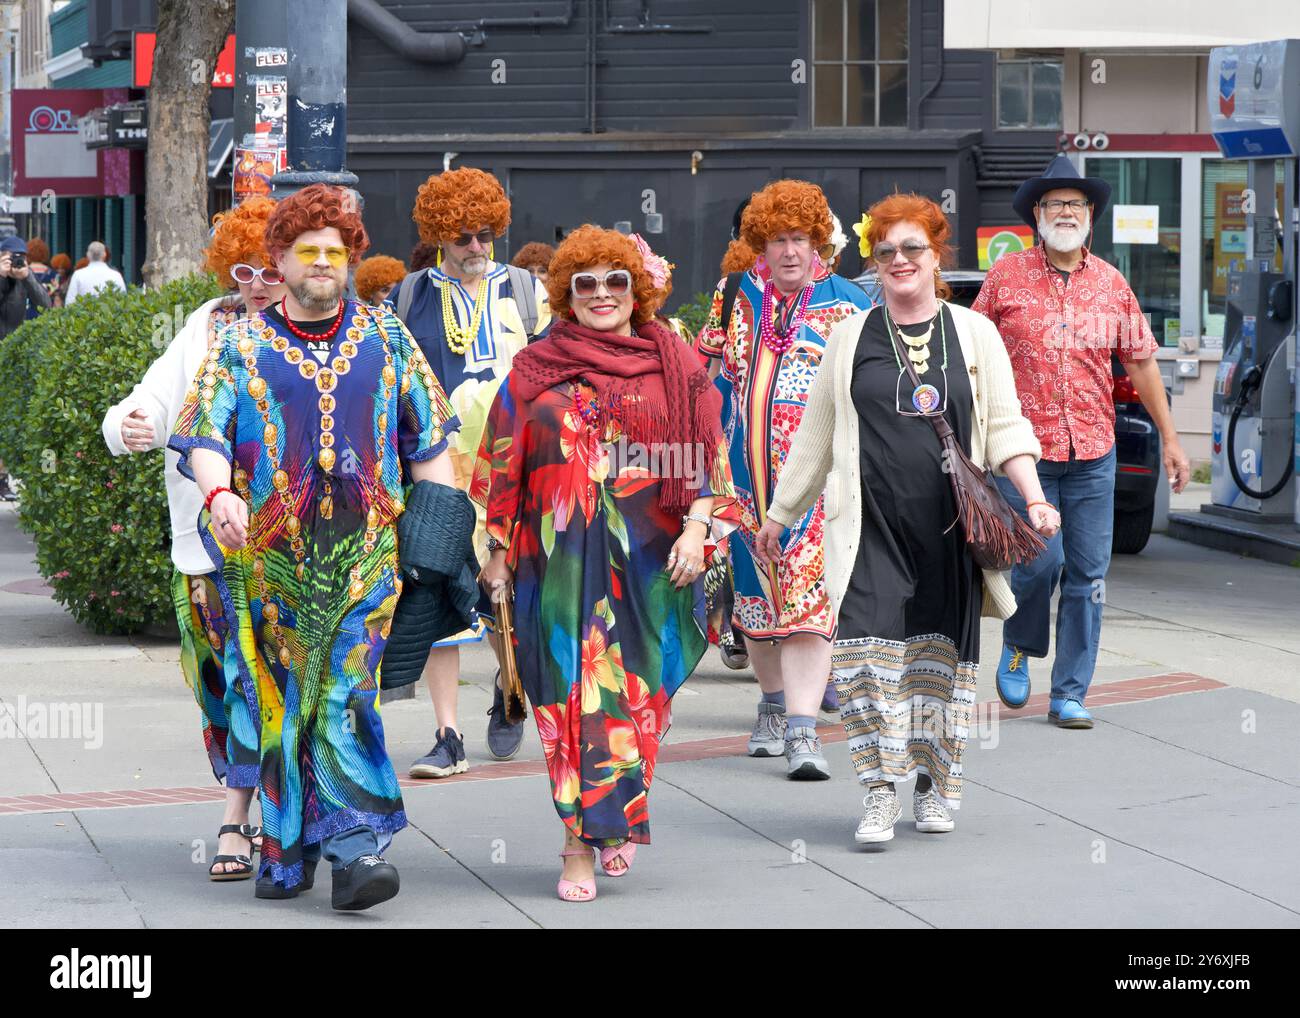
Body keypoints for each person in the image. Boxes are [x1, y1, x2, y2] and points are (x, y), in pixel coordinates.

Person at [169, 183, 459, 910]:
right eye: (309, 252)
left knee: (343, 693)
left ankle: (358, 849)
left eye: (337, 252)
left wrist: (442, 531)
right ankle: (287, 849)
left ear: (352, 259)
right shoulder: (238, 343)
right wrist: (219, 493)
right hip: (263, 568)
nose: (324, 263)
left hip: (364, 559)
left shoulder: (389, 337)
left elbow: (430, 445)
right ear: (280, 259)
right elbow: (203, 433)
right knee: (279, 703)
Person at [756, 193, 1057, 844]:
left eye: (911, 248)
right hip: (867, 530)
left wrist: (1033, 497)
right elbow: (817, 435)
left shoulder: (972, 333)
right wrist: (780, 516)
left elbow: (1005, 423)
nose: (898, 260)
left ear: (935, 254)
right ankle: (878, 791)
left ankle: (933, 783)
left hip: (951, 533)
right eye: (885, 250)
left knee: (937, 670)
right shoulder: (850, 337)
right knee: (864, 663)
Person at [476, 225, 738, 901]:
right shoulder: (534, 370)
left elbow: (710, 463)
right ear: (566, 293)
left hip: (651, 570)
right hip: (554, 571)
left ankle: (617, 814)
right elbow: (503, 464)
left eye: (614, 282)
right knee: (570, 706)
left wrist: (697, 530)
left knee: (638, 706)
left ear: (637, 289)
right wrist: (497, 554)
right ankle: (578, 847)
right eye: (584, 283)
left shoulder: (676, 366)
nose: (600, 295)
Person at [972, 156, 1190, 729]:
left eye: (1076, 204)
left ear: (1090, 216)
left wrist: (1170, 438)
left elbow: (1141, 364)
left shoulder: (1112, 283)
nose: (1065, 212)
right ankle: (1019, 642)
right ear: (1035, 216)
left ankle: (1070, 692)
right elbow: (974, 354)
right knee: (1040, 566)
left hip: (1095, 452)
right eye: (1054, 204)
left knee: (1089, 578)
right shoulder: (1006, 278)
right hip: (1025, 457)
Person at [102, 196, 283, 881]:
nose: (259, 282)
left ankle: (243, 823)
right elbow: (140, 404)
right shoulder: (205, 328)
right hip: (208, 548)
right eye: (245, 269)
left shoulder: (325, 332)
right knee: (224, 688)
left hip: (293, 551)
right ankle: (263, 813)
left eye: (271, 267)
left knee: (262, 683)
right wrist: (130, 427)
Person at [697, 179, 874, 780]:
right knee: (754, 602)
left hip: (817, 484)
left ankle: (802, 729)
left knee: (810, 603)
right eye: (777, 240)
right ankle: (772, 703)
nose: (789, 251)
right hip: (741, 480)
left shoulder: (851, 302)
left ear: (819, 242)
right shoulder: (735, 293)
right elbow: (710, 370)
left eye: (800, 238)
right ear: (760, 245)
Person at [389, 166, 551, 777]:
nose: (477, 248)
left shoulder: (527, 291)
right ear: (438, 236)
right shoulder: (410, 295)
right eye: (463, 237)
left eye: (486, 235)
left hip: (517, 469)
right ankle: (447, 733)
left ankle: (510, 687)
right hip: (441, 475)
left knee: (506, 589)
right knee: (439, 588)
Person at [0, 236, 53, 338]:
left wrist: (27, 278)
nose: (16, 261)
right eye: (12, 257)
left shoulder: (27, 275)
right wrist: (1, 277)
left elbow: (45, 306)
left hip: (15, 343)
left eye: (20, 257)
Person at [23, 239, 60, 318]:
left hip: (26, 313)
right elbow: (57, 299)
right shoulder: (54, 274)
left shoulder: (23, 273)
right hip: (47, 315)